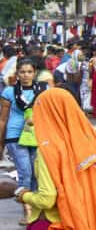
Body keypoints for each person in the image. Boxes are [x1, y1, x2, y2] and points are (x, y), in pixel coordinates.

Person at [0, 87, 96, 229]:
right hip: (90, 220)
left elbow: (46, 199)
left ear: (47, 114)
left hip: (56, 222)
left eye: (38, 110)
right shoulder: (92, 141)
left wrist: (20, 193)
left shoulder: (48, 149)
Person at [0, 58, 47, 215]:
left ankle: (35, 209)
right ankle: (27, 211)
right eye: (22, 72)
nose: (26, 75)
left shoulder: (43, 89)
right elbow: (3, 118)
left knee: (36, 173)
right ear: (17, 74)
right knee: (25, 172)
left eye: (29, 72)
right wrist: (1, 141)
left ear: (35, 73)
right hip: (15, 135)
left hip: (37, 134)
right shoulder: (9, 91)